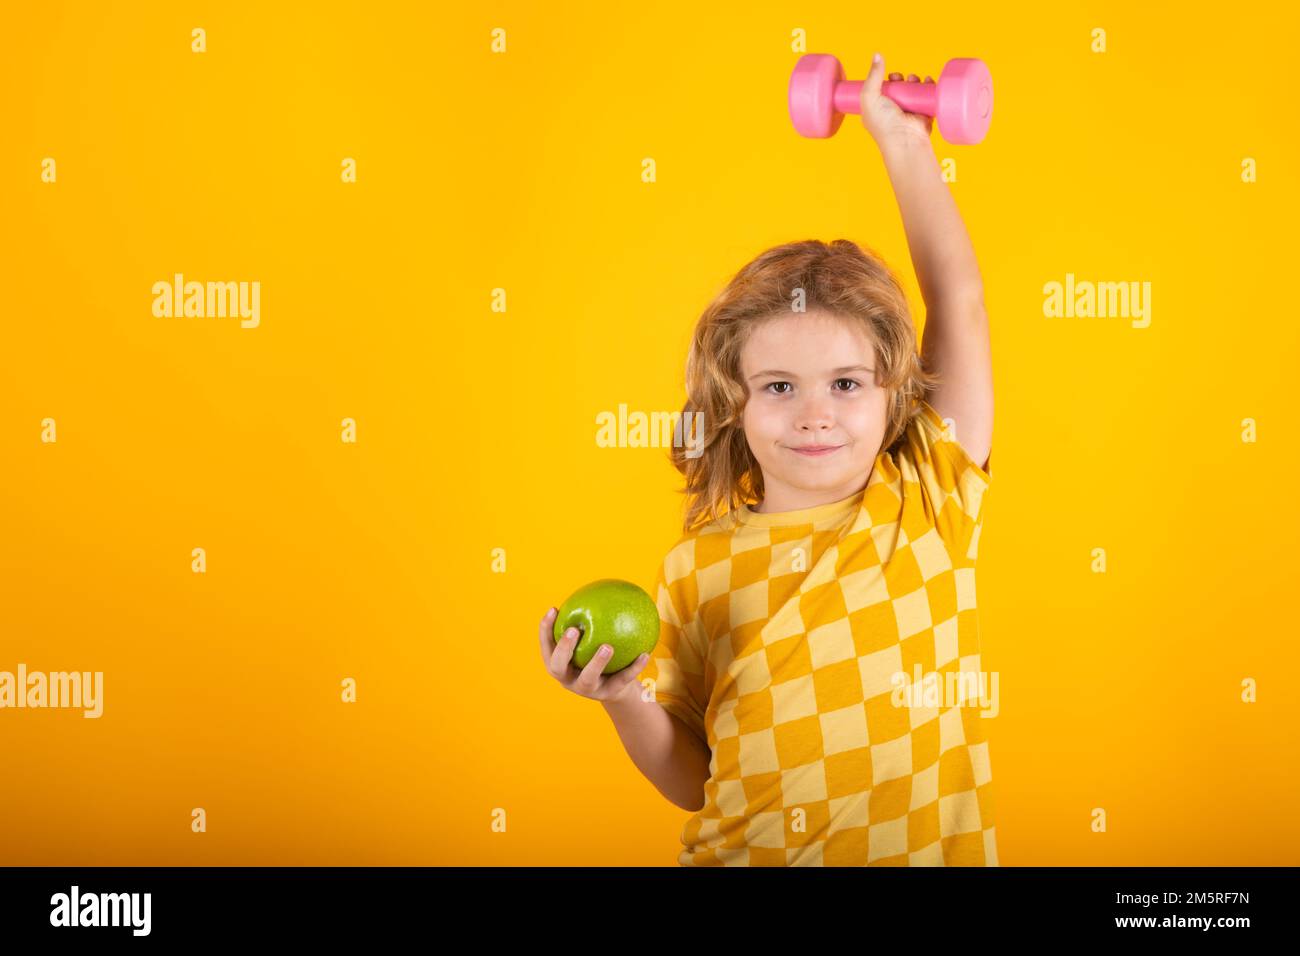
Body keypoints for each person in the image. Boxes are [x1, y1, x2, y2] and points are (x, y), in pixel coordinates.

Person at [539, 52, 996, 865]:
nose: (816, 412)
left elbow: (956, 300)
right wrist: (619, 697)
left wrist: (902, 141)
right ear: (734, 403)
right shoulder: (697, 567)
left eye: (847, 382)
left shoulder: (929, 490)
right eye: (779, 385)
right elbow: (692, 776)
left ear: (896, 393)